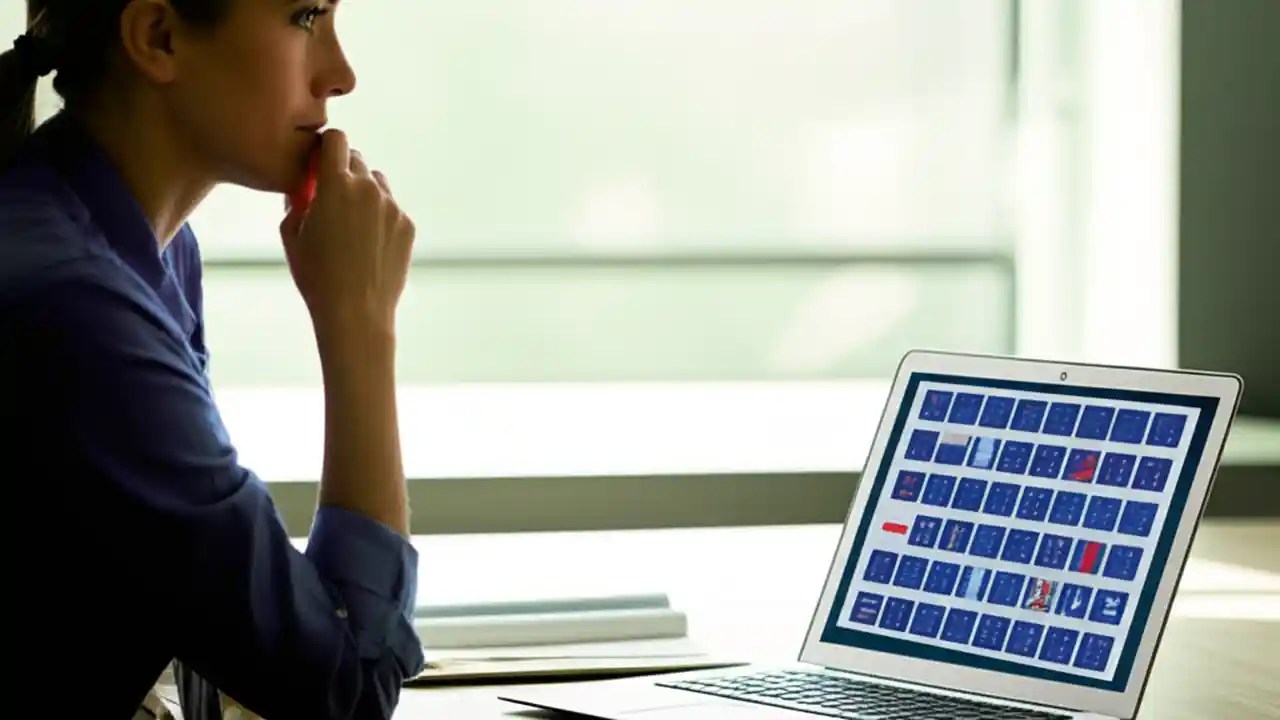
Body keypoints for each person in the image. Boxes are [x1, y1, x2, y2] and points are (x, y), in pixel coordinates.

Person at [0, 1, 423, 718]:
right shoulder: (78, 304)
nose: (341, 75)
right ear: (158, 37)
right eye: (305, 16)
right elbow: (344, 692)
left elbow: (199, 616)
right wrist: (360, 327)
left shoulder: (146, 252)